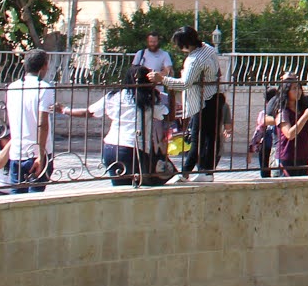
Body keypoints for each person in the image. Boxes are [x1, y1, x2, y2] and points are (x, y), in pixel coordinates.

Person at [63, 61, 163, 185]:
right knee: (140, 189)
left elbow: (89, 112)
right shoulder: (148, 99)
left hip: (111, 146)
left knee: (119, 189)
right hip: (134, 148)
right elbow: (168, 115)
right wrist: (167, 85)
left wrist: (65, 110)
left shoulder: (114, 95)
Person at [156, 26, 222, 183]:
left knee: (197, 139)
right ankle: (203, 172)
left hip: (202, 102)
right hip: (214, 97)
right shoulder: (208, 48)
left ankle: (190, 173)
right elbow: (218, 72)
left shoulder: (194, 60)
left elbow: (184, 84)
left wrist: (162, 80)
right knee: (207, 138)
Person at [4, 50, 55, 192]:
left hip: (17, 151)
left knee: (16, 200)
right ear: (44, 66)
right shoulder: (44, 88)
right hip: (37, 153)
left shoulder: (12, 87)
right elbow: (42, 123)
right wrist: (41, 155)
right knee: (34, 199)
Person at [271, 78, 308, 177]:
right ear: (286, 92)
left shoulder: (303, 109)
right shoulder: (283, 112)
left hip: (303, 156)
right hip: (287, 157)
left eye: (299, 88)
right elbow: (289, 134)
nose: (298, 91)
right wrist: (305, 117)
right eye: (294, 88)